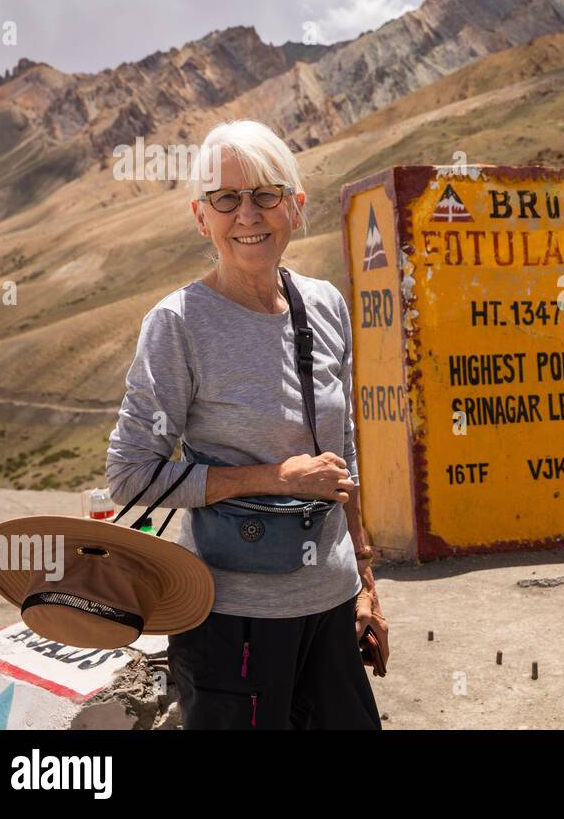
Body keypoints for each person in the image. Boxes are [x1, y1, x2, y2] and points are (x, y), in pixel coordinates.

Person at [105, 119, 388, 729]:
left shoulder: (326, 304)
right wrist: (275, 477)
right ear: (200, 217)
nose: (247, 215)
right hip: (231, 623)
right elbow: (130, 475)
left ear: (296, 206)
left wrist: (365, 580)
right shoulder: (178, 324)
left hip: (332, 606)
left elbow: (343, 451)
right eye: (225, 199)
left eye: (265, 194)